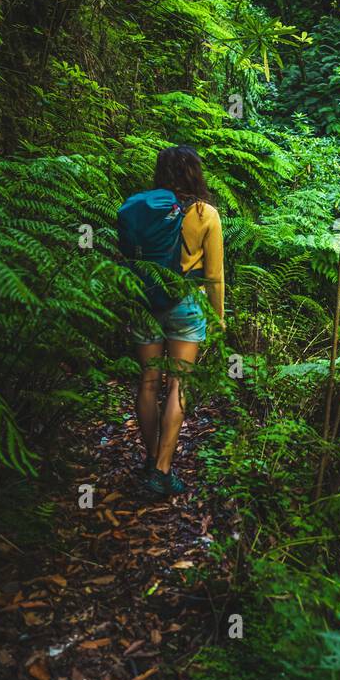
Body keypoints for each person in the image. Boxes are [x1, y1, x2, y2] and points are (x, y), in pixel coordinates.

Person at [129, 145, 224, 496]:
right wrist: (219, 317)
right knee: (178, 386)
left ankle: (151, 457)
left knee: (148, 383)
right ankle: (162, 470)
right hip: (185, 303)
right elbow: (214, 274)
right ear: (194, 173)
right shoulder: (206, 214)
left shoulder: (144, 207)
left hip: (144, 300)